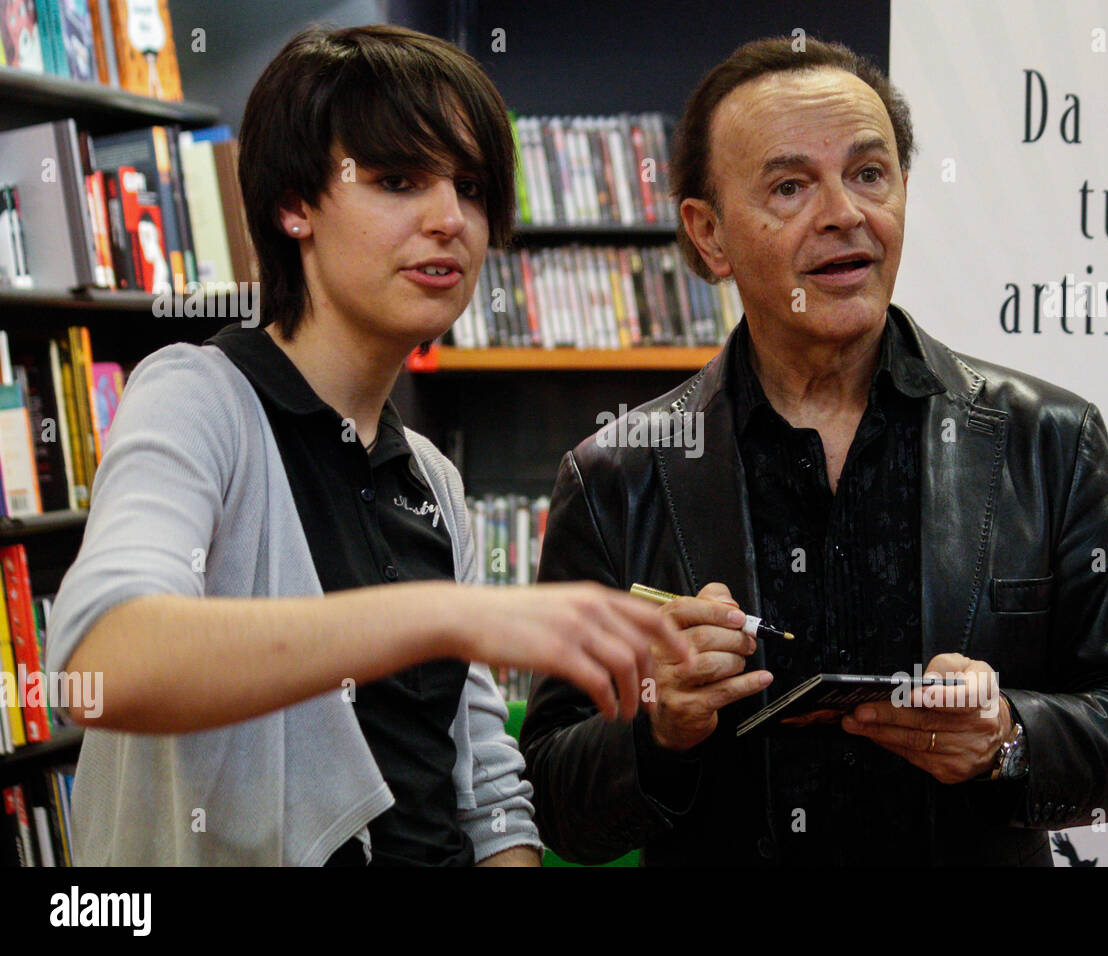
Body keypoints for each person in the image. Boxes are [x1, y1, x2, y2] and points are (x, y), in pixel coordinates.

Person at [520, 36, 1108, 866]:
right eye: (791, 186)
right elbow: (549, 793)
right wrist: (659, 726)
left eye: (870, 173)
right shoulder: (619, 474)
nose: (844, 213)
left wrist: (1005, 737)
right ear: (709, 234)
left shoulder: (1047, 439)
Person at [45, 24, 683, 867]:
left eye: (472, 187)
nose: (450, 219)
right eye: (397, 181)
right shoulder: (197, 398)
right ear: (294, 205)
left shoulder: (434, 479)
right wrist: (447, 615)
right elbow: (101, 664)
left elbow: (485, 783)